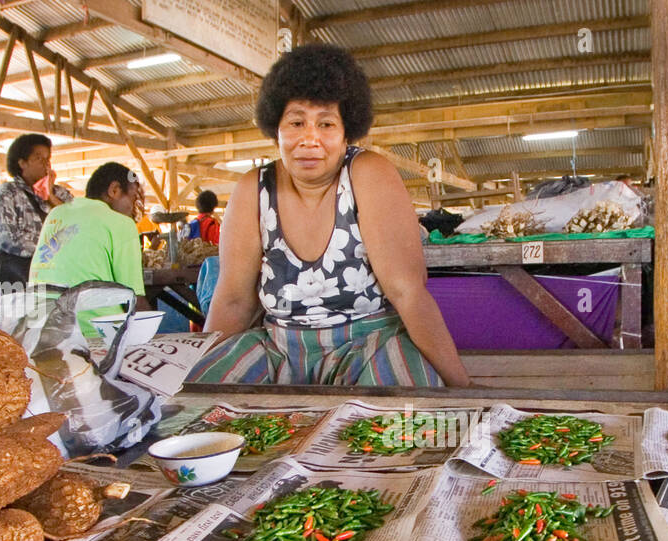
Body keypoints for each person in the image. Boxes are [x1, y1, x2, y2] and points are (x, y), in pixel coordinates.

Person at [192, 44, 470, 387]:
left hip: (369, 346)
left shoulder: (368, 174)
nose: (310, 139)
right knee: (193, 399)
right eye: (296, 122)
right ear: (275, 128)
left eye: (326, 124)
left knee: (408, 409)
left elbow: (407, 292)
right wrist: (194, 383)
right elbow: (233, 302)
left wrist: (462, 387)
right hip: (279, 350)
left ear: (346, 131)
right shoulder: (254, 189)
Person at [29, 161, 146, 308]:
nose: (133, 209)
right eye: (133, 198)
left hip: (39, 317)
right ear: (114, 190)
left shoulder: (55, 213)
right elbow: (134, 300)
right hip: (90, 321)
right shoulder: (122, 223)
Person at [0, 133, 74, 285]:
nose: (46, 164)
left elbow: (78, 223)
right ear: (22, 163)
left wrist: (50, 197)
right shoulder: (8, 193)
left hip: (59, 276)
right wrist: (51, 249)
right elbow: (6, 238)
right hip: (23, 279)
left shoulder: (60, 193)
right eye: (39, 158)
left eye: (48, 159)